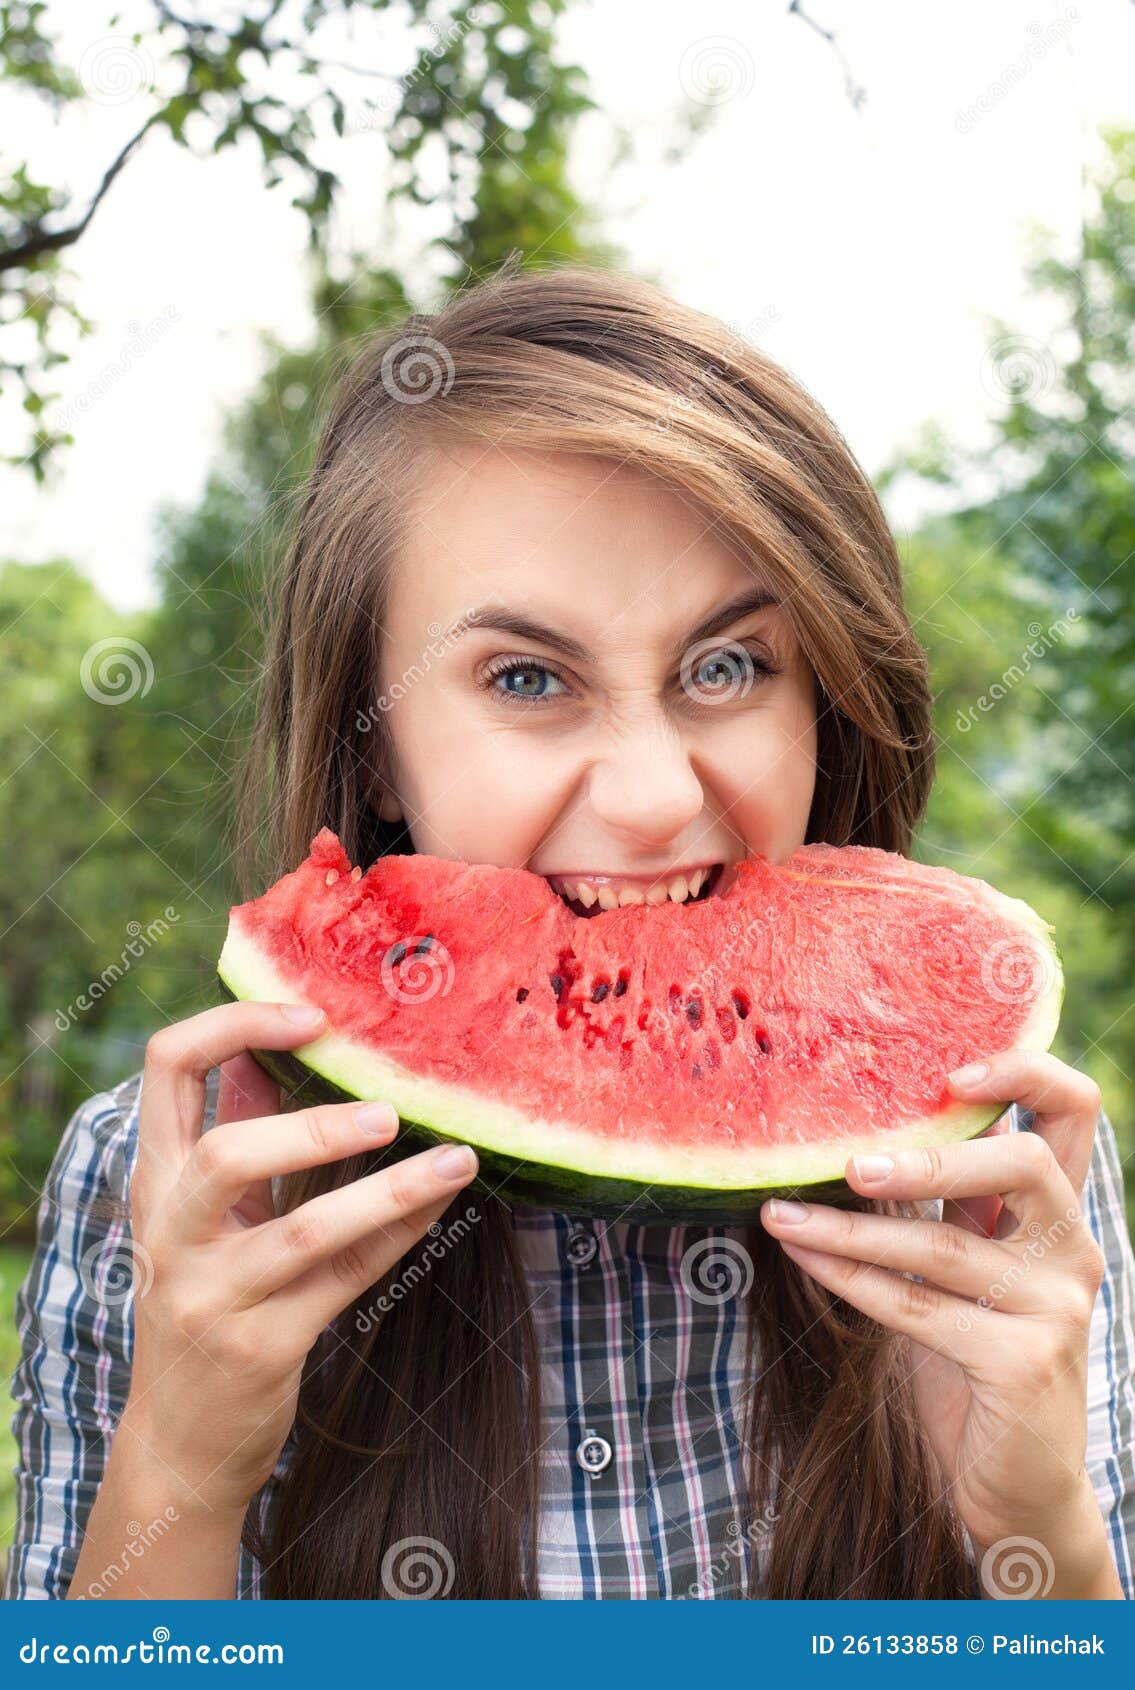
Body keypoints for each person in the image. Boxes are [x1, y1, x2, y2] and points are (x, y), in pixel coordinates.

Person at [6, 263, 1134, 1601]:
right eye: (526, 678)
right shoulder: (178, 1177)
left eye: (728, 666)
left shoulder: (991, 1161)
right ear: (376, 749)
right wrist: (181, 1469)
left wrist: (1038, 1524)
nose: (655, 798)